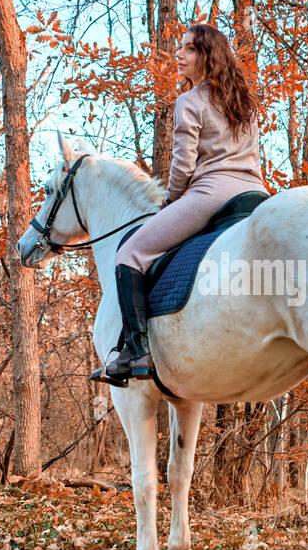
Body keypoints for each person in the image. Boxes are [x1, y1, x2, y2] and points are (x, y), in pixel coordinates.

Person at [103, 23, 270, 381]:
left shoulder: (190, 101)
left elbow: (182, 164)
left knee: (129, 254)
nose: (178, 55)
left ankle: (136, 352)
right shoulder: (245, 102)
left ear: (207, 58)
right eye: (180, 48)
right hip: (256, 195)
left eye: (189, 49)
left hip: (212, 194)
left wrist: (172, 200)